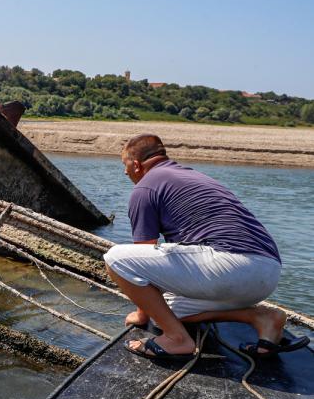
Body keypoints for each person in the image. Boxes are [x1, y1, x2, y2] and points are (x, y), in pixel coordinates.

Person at [103, 134, 308, 360]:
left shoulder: (145, 188)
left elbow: (143, 252)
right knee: (170, 310)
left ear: (136, 164)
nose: (125, 172)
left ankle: (176, 339)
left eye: (125, 165)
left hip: (229, 265)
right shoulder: (191, 175)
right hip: (267, 271)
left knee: (116, 259)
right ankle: (260, 317)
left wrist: (142, 315)